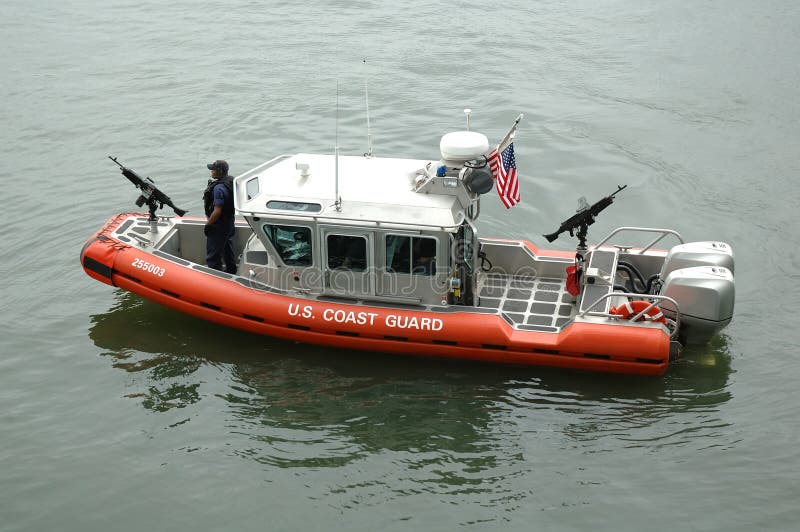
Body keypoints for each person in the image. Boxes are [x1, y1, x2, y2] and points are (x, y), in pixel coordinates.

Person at [203, 159, 236, 273]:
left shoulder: (218, 189)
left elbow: (217, 211)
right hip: (229, 222)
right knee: (227, 250)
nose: (211, 171)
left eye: (213, 169)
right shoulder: (231, 181)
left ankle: (215, 278)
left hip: (219, 225)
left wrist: (208, 224)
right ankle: (232, 272)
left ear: (220, 171)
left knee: (212, 257)